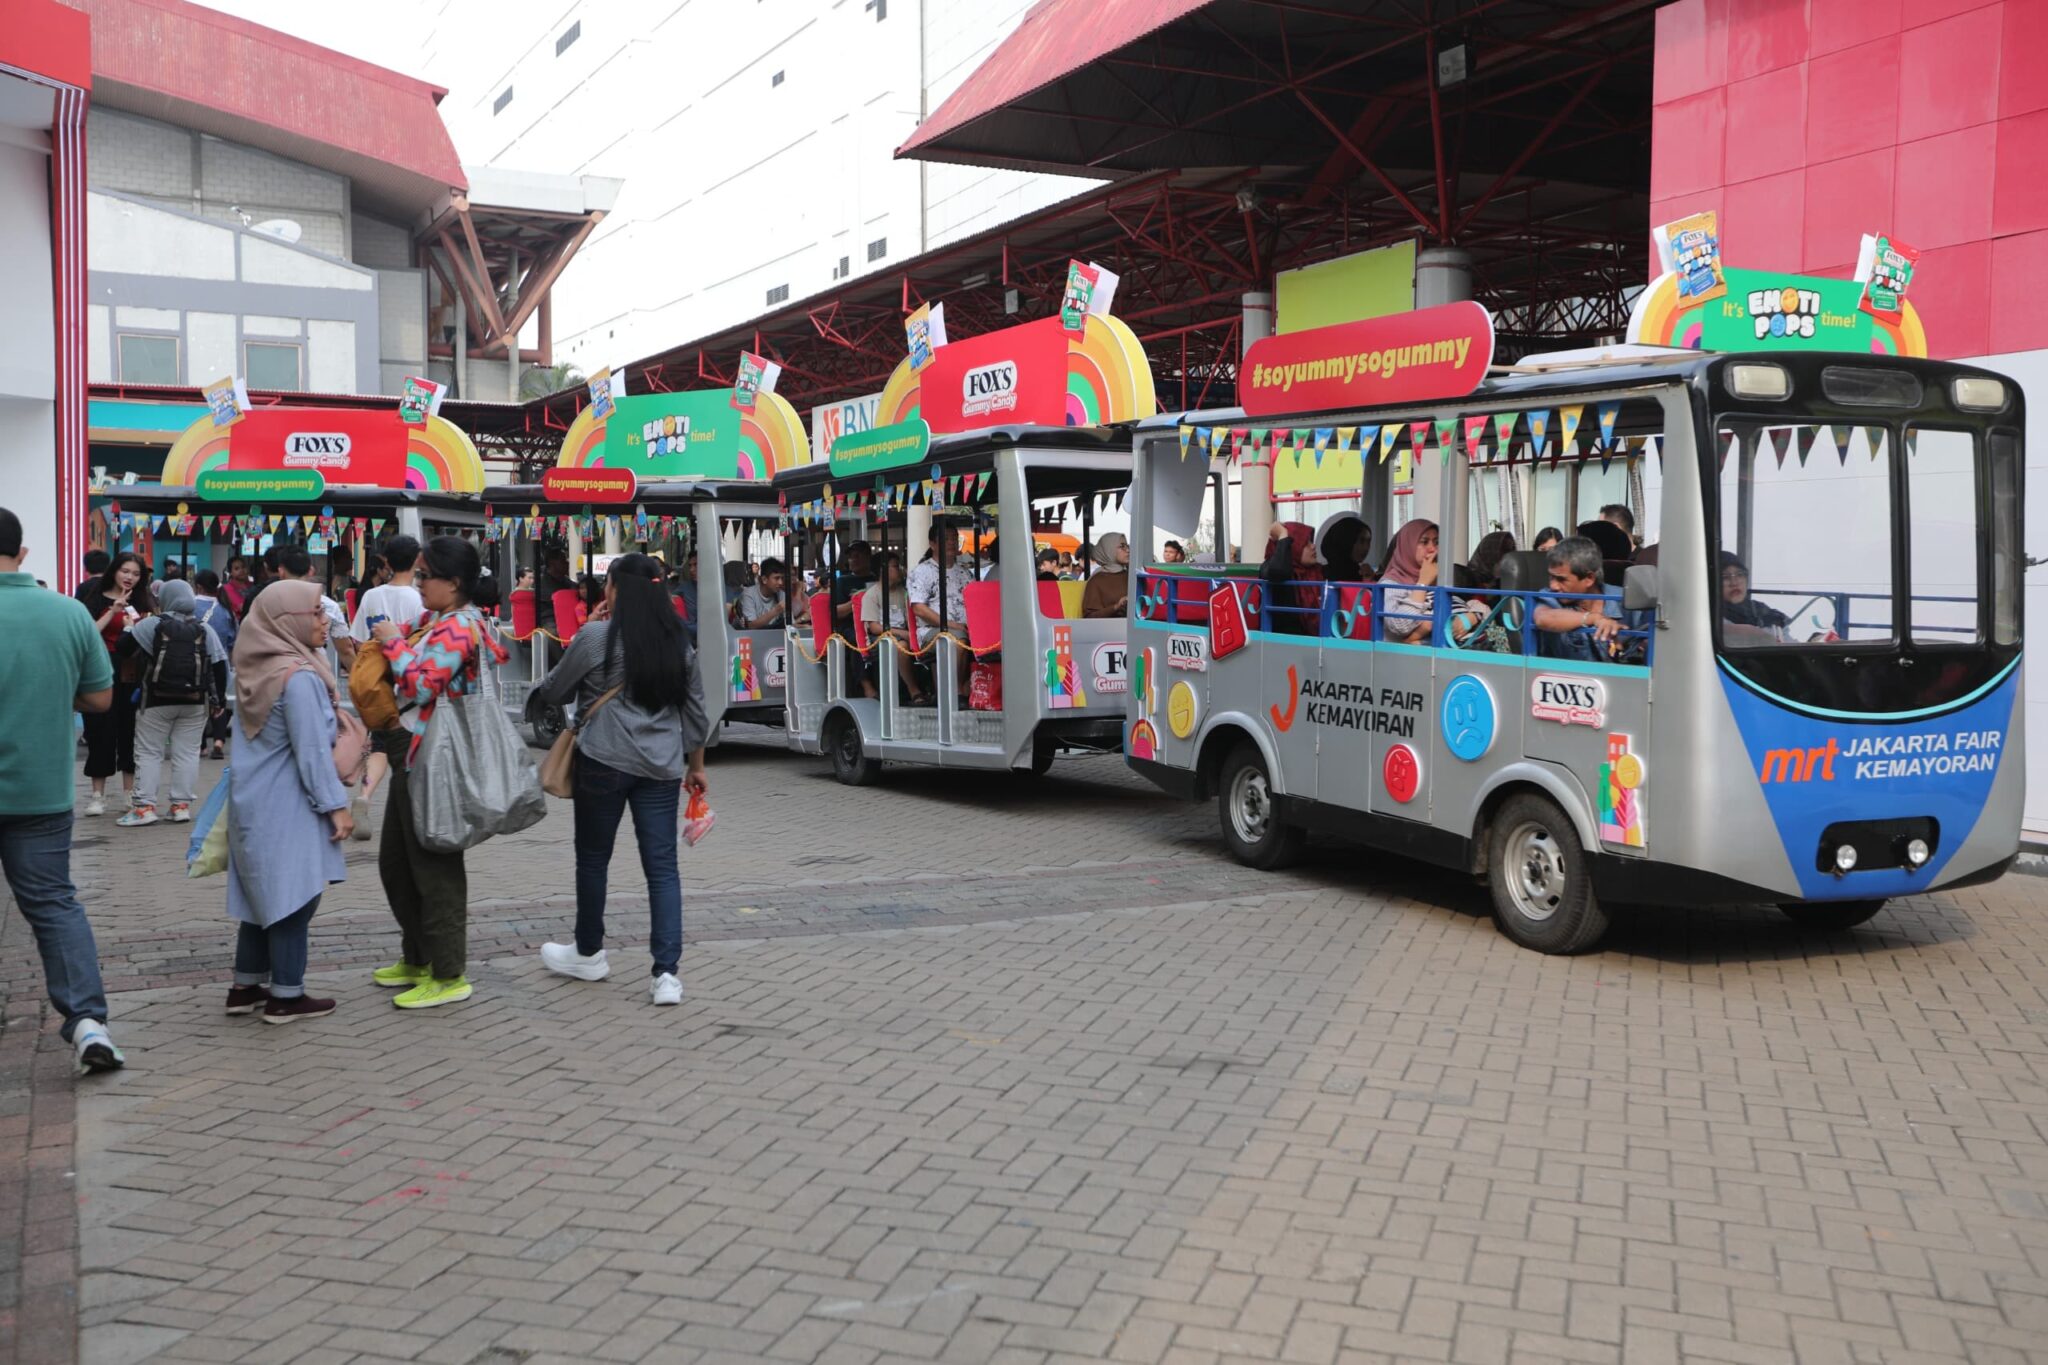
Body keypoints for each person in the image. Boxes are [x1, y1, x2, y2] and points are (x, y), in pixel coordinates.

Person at [532, 553, 709, 1005]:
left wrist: (583, 634)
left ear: (616, 590)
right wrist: (696, 767)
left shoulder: (596, 636)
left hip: (603, 761)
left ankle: (589, 953)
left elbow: (554, 690)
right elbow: (696, 714)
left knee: (593, 860)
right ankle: (666, 975)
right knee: (662, 868)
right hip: (662, 767)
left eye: (606, 584)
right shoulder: (678, 644)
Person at [0, 507, 125, 1074]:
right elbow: (100, 699)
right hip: (41, 793)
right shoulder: (67, 613)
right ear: (22, 554)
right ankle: (87, 1023)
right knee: (54, 907)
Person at [367, 537, 505, 1009]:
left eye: (427, 577)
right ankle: (418, 957)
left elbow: (422, 684)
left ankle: (449, 972)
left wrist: (391, 645)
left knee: (433, 864)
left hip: (434, 754)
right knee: (397, 863)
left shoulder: (460, 627)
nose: (419, 584)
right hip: (413, 750)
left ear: (455, 583)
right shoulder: (435, 620)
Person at [223, 580, 353, 1023]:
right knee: (295, 900)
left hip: (254, 799)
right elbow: (313, 753)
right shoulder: (297, 678)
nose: (325, 620)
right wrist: (336, 805)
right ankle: (286, 995)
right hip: (290, 803)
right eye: (316, 612)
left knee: (262, 893)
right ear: (286, 621)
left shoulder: (257, 665)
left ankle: (245, 985)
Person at [116, 580, 227, 827]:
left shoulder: (150, 625)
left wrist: (127, 629)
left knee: (149, 752)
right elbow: (220, 666)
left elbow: (123, 650)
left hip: (155, 701)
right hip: (196, 702)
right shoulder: (204, 629)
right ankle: (180, 806)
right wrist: (217, 701)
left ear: (163, 599)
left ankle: (144, 807)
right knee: (187, 753)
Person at [348, 534, 425, 839]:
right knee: (408, 748)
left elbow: (357, 640)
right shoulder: (420, 600)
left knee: (379, 745)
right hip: (406, 680)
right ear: (417, 561)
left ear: (387, 563)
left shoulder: (370, 596)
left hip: (377, 680)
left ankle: (364, 796)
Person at [79, 552, 147, 816]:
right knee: (99, 731)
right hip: (101, 670)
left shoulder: (143, 601)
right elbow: (86, 634)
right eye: (125, 571)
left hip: (132, 672)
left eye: (136, 574)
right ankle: (98, 795)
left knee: (130, 731)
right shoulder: (95, 597)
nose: (130, 577)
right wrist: (112, 612)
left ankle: (130, 795)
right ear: (114, 571)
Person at [1533, 536, 1625, 661]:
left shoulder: (1624, 600)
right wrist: (1593, 618)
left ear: (1589, 579)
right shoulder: (1550, 597)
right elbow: (1543, 618)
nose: (1552, 586)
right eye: (1551, 577)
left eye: (1561, 579)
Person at [860, 551, 924, 704]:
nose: (901, 569)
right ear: (883, 570)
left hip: (904, 635)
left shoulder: (904, 593)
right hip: (881, 639)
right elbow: (874, 627)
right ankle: (914, 690)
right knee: (901, 645)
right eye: (896, 566)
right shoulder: (872, 595)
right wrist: (903, 633)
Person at [192, 571, 237, 759]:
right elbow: (233, 641)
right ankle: (219, 741)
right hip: (220, 662)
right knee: (219, 701)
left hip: (194, 661)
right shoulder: (226, 610)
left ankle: (201, 745)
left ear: (198, 587)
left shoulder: (190, 605)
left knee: (198, 702)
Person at [907, 526, 974, 647]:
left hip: (969, 629)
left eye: (954, 538)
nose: (952, 542)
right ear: (932, 544)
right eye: (946, 539)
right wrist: (950, 624)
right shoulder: (922, 572)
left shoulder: (966, 573)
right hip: (933, 630)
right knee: (959, 641)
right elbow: (918, 608)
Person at [1450, 531, 1517, 650]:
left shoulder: (1506, 584)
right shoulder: (1464, 579)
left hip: (1496, 644)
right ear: (1489, 555)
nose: (1505, 562)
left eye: (1509, 555)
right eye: (1501, 556)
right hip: (1467, 644)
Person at [1379, 519, 1440, 643]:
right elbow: (1399, 625)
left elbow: (1458, 606)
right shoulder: (1390, 584)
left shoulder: (1437, 577)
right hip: (1398, 659)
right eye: (1424, 542)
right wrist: (1422, 583)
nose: (1432, 549)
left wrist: (1471, 617)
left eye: (1436, 542)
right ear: (1408, 545)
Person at [1260, 522, 1320, 635]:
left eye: (1311, 541)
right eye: (1305, 543)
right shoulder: (1270, 566)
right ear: (1292, 547)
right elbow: (1278, 571)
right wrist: (1283, 535)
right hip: (1282, 642)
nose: (1313, 546)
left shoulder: (1315, 572)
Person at [1719, 551, 1791, 637]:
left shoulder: (1762, 611)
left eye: (1739, 574)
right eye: (1725, 577)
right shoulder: (1710, 618)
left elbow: (1788, 643)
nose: (1734, 582)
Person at [1081, 532, 1130, 619]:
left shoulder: (1131, 575)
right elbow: (1089, 617)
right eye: (1122, 546)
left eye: (1127, 546)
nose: (1127, 550)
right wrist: (1115, 607)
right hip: (1106, 631)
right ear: (1109, 549)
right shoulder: (1097, 581)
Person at [1315, 513, 1373, 583]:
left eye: (1368, 542)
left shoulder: (1361, 573)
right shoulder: (1318, 576)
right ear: (1345, 541)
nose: (1366, 548)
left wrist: (1368, 580)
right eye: (1361, 541)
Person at [733, 556, 788, 629]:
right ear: (764, 579)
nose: (780, 582)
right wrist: (776, 610)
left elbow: (789, 625)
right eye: (776, 578)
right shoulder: (748, 594)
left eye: (782, 578)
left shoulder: (781, 594)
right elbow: (751, 626)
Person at [673, 550, 701, 641]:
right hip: (694, 632)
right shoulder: (685, 587)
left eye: (696, 565)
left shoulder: (720, 588)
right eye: (690, 566)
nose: (691, 570)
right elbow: (669, 597)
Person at [220, 554, 254, 619]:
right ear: (230, 572)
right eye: (236, 568)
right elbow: (242, 607)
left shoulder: (253, 585)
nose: (241, 570)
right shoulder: (226, 589)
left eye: (243, 567)